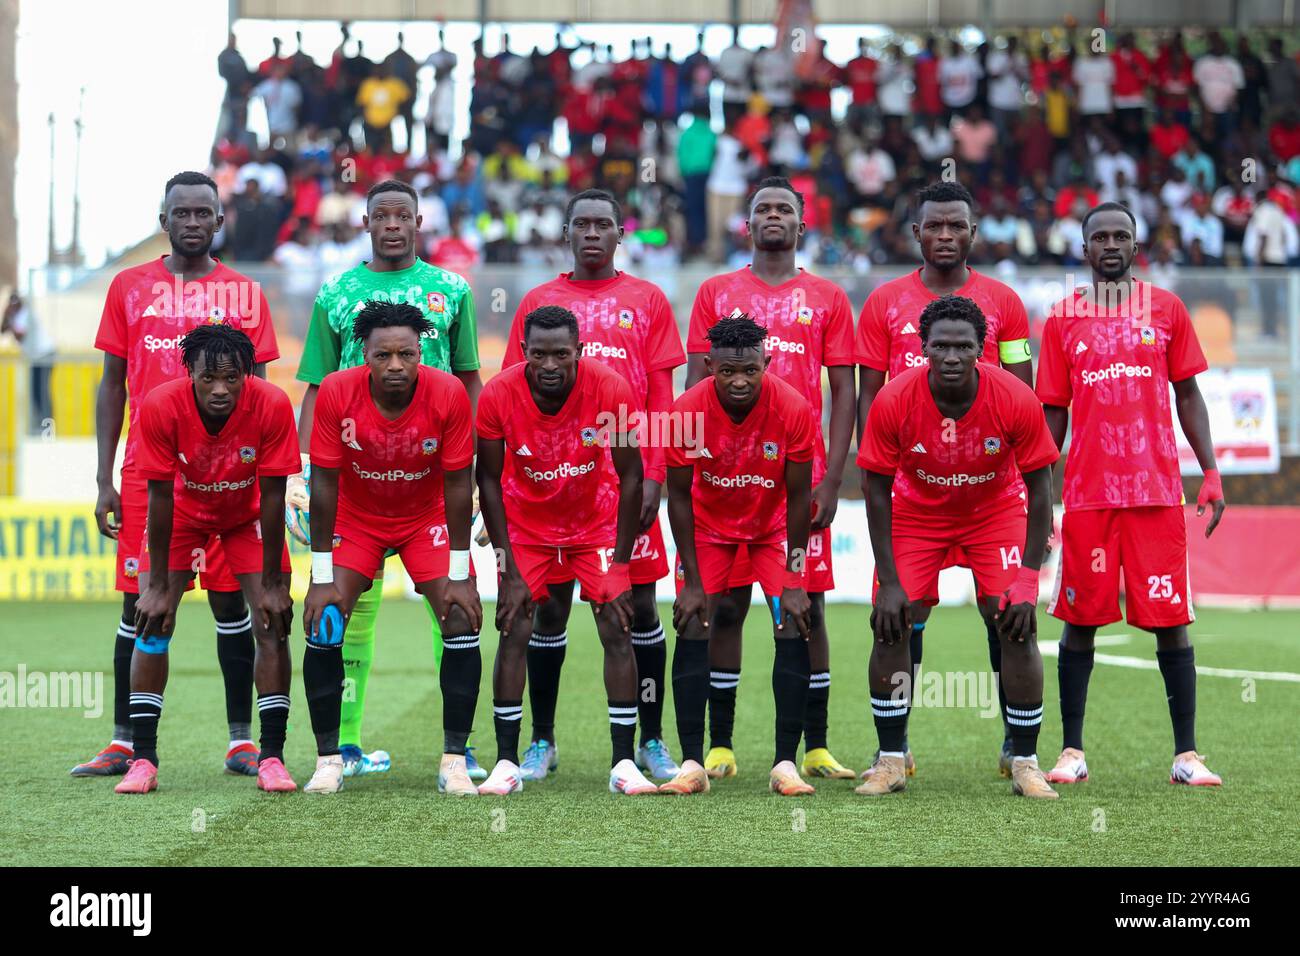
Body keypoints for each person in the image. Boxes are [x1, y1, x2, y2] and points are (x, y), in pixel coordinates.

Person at [79, 171, 280, 779]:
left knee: (232, 605)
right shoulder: (128, 286)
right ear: (162, 219)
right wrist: (104, 476)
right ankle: (123, 742)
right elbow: (112, 383)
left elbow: (262, 392)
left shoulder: (245, 293)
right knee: (139, 602)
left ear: (220, 221)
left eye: (203, 213)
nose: (192, 222)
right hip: (150, 471)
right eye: (181, 213)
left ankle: (242, 742)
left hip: (227, 474)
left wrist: (258, 468)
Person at [290, 179, 485, 779]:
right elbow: (318, 385)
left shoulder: (452, 288)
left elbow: (470, 376)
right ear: (367, 221)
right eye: (382, 215)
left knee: (452, 609)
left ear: (420, 221)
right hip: (355, 477)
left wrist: (475, 471)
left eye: (404, 214)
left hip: (433, 471)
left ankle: (460, 747)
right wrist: (302, 473)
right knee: (348, 616)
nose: (393, 224)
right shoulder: (337, 290)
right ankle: (343, 744)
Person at [1036, 201, 1227, 788]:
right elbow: (1053, 415)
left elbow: (1188, 395)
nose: (1111, 244)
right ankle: (1072, 751)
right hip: (1090, 497)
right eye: (1101, 237)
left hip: (1157, 493)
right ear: (1085, 249)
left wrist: (1211, 473)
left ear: (1136, 246)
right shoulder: (1062, 318)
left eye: (1122, 235)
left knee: (1171, 620)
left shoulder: (1166, 309)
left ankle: (1187, 755)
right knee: (1080, 620)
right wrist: (1041, 497)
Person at [499, 190, 685, 782]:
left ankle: (650, 739)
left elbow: (661, 394)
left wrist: (653, 472)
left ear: (620, 233)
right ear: (566, 232)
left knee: (640, 610)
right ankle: (542, 741)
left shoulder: (648, 299)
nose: (591, 234)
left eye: (603, 224)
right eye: (581, 224)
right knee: (546, 611)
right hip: (549, 487)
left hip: (622, 489)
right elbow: (513, 393)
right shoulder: (539, 301)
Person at [855, 179, 1034, 779]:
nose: (946, 235)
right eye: (934, 226)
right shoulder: (884, 304)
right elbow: (871, 398)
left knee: (1005, 613)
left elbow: (1023, 391)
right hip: (914, 493)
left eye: (957, 225)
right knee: (903, 616)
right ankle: (895, 750)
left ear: (973, 233)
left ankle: (1018, 745)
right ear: (917, 233)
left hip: (991, 491)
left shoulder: (1004, 302)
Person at [684, 176, 857, 782]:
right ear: (748, 224)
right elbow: (694, 387)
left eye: (785, 208)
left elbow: (844, 393)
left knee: (808, 611)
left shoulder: (829, 297)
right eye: (763, 209)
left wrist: (831, 482)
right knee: (724, 609)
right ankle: (720, 746)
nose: (774, 216)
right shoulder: (716, 291)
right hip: (725, 482)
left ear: (802, 226)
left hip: (795, 482)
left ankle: (814, 745)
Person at [857, 294, 1059, 798]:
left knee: (1014, 622)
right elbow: (874, 489)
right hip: (916, 512)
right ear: (923, 347)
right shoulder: (894, 398)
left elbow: (1041, 490)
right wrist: (889, 579)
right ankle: (890, 760)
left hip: (994, 511)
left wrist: (1029, 579)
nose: (951, 356)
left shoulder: (1014, 397)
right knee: (891, 624)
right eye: (940, 346)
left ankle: (1025, 761)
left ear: (981, 349)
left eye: (962, 346)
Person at [476, 305, 657, 797]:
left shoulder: (610, 388)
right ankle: (508, 762)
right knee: (515, 626)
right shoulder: (497, 394)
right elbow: (488, 480)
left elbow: (632, 474)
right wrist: (506, 563)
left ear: (579, 351)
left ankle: (623, 762)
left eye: (562, 354)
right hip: (527, 529)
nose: (550, 364)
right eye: (539, 354)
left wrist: (620, 564)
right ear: (523, 352)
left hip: (593, 525)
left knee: (618, 624)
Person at [114, 326, 298, 794]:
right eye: (208, 378)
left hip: (247, 516)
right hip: (181, 515)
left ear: (247, 376)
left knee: (272, 619)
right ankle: (144, 760)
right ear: (189, 373)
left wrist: (275, 581)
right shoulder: (159, 404)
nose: (221, 389)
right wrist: (155, 585)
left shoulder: (273, 404)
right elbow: (157, 495)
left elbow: (274, 495)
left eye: (232, 378)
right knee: (152, 622)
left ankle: (271, 757)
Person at [661, 314, 816, 797]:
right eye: (727, 371)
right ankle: (692, 763)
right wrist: (689, 582)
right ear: (709, 366)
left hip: (772, 531)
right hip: (708, 530)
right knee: (692, 621)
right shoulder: (686, 412)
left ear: (766, 363)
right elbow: (680, 498)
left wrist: (793, 579)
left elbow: (798, 499)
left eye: (750, 369)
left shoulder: (793, 408)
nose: (739, 380)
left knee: (792, 622)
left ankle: (785, 764)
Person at [2, 292, 54, 432]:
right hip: (35, 357)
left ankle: (47, 426)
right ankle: (41, 425)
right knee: (35, 391)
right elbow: (3, 330)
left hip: (44, 354)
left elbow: (20, 335)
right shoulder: (16, 316)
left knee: (41, 390)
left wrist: (10, 317)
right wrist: (6, 315)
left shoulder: (26, 314)